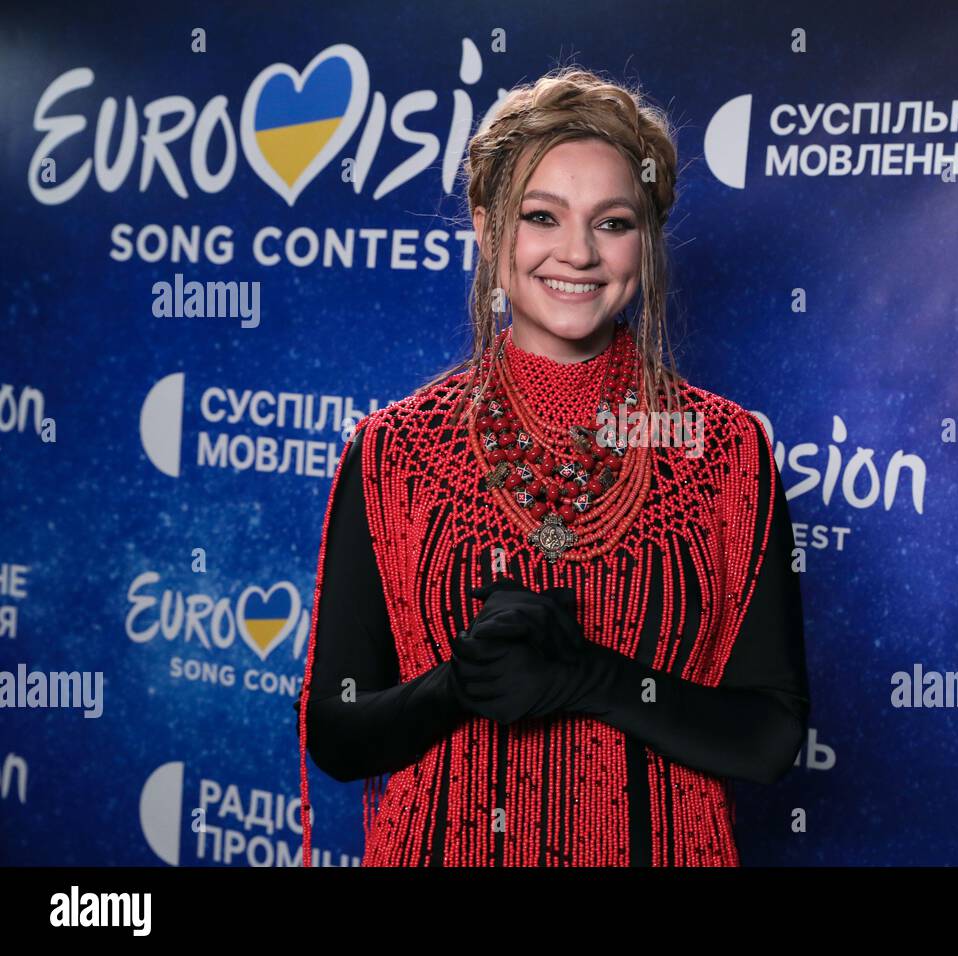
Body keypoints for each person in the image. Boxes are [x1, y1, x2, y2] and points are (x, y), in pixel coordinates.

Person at [295, 66, 810, 867]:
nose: (577, 252)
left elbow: (770, 738)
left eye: (613, 222)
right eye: (542, 216)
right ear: (486, 229)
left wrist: (590, 679)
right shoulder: (394, 448)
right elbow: (337, 733)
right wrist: (458, 685)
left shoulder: (725, 449)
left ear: (647, 240)